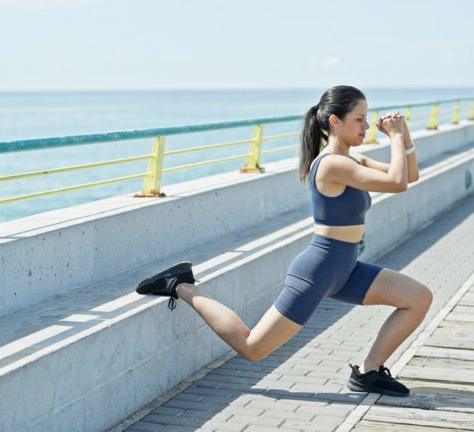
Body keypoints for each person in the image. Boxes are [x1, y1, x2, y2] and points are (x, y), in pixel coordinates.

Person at [136, 85, 433, 397]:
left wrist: (405, 136)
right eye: (359, 119)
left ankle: (369, 372)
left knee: (417, 298)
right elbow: (397, 183)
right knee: (252, 347)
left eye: (366, 118)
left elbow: (409, 176)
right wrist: (396, 138)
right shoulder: (332, 164)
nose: (366, 125)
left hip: (345, 267)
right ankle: (184, 286)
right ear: (335, 121)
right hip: (318, 270)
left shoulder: (353, 162)